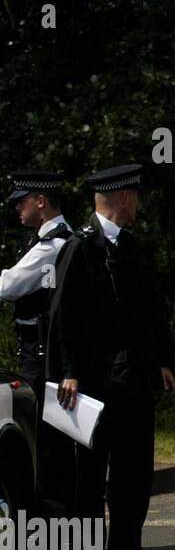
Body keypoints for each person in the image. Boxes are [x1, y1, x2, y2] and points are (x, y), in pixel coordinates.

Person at [47, 165, 175, 550]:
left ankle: (126, 543)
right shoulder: (79, 247)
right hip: (93, 378)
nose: (138, 203)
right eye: (134, 195)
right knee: (91, 466)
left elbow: (153, 309)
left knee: (134, 464)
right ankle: (90, 546)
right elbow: (63, 314)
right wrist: (67, 369)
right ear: (122, 196)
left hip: (134, 375)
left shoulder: (133, 247)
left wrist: (164, 360)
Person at [1, 170, 74, 510]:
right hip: (47, 356)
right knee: (52, 440)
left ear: (41, 201)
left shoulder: (52, 246)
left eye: (22, 201)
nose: (17, 208)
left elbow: (9, 286)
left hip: (42, 359)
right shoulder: (53, 240)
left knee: (44, 441)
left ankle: (52, 517)